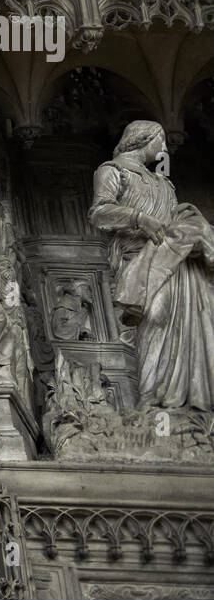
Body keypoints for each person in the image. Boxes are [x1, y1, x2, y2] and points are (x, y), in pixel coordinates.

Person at [89, 120, 214, 410]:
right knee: (155, 316)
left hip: (171, 260)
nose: (165, 149)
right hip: (136, 257)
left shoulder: (163, 183)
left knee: (179, 319)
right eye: (160, 142)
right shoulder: (112, 171)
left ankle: (176, 398)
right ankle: (148, 397)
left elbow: (171, 224)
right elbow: (99, 213)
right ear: (141, 140)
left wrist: (191, 237)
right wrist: (139, 219)